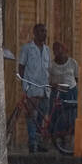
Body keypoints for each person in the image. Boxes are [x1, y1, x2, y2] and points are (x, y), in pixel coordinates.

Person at [17, 23, 51, 153]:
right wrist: (24, 85)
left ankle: (38, 141)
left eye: (45, 31)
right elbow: (21, 67)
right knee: (31, 115)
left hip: (45, 88)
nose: (45, 34)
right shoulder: (27, 48)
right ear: (35, 33)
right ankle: (32, 143)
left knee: (41, 117)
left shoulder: (47, 50)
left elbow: (48, 68)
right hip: (32, 87)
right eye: (42, 31)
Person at [47, 41, 79, 136]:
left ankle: (70, 135)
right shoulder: (51, 65)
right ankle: (58, 136)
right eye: (55, 50)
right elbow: (48, 80)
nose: (57, 52)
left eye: (59, 49)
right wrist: (54, 85)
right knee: (56, 114)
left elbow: (76, 78)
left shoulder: (73, 63)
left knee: (71, 114)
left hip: (71, 91)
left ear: (65, 51)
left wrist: (69, 87)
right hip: (57, 92)